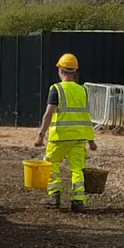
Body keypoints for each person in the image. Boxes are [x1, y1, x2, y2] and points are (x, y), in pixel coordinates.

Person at [33, 53, 97, 212]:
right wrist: (91, 140)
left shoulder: (56, 89)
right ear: (74, 71)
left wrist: (41, 135)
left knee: (50, 163)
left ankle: (54, 195)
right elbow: (85, 116)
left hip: (60, 137)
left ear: (60, 70)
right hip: (79, 137)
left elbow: (48, 114)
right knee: (77, 168)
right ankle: (78, 200)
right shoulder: (83, 90)